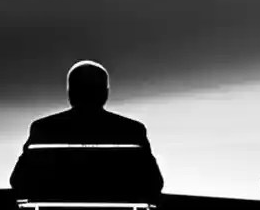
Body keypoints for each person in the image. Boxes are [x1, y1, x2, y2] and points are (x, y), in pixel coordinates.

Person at [10, 60, 163, 199]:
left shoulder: (43, 129)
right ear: (105, 93)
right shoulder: (131, 130)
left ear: (70, 93)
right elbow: (154, 184)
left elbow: (18, 181)